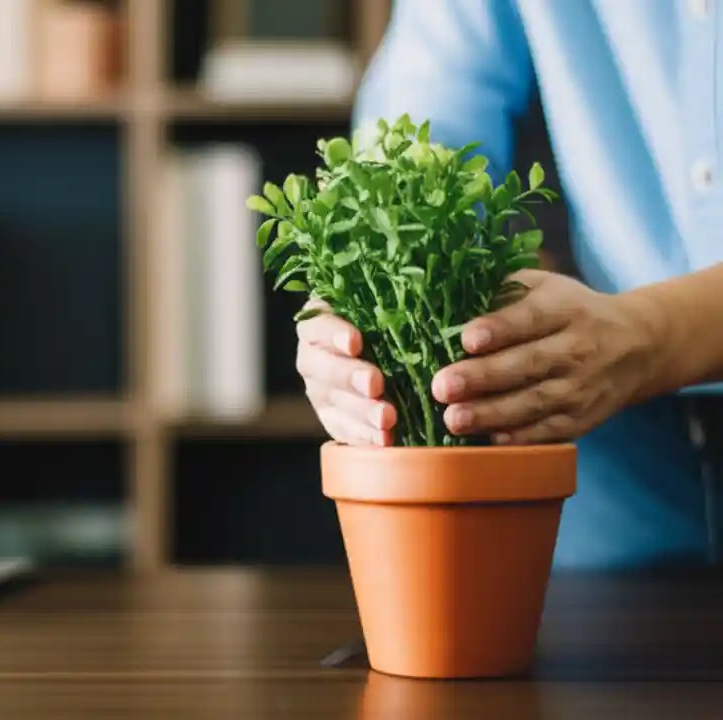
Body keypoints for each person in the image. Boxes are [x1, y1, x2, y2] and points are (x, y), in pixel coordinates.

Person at [297, 0, 723, 568]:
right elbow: (426, 117)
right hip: (613, 444)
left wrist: (655, 334)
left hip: (610, 376)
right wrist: (361, 294)